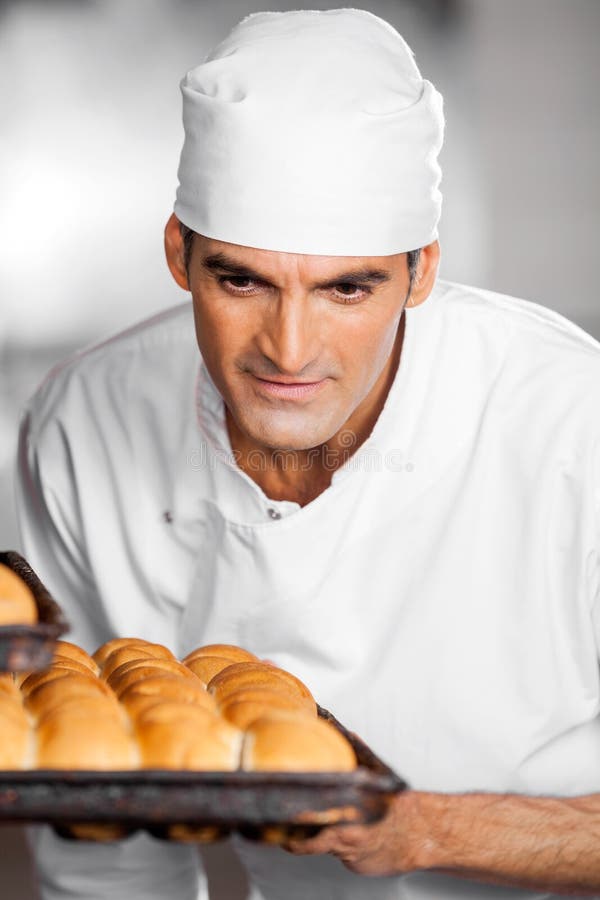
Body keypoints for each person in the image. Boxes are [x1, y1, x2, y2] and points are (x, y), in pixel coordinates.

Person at [15, 8, 600, 900]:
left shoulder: (570, 422)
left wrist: (421, 828)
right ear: (180, 253)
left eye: (347, 290)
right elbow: (104, 825)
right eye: (241, 280)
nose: (288, 350)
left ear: (422, 272)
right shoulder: (84, 421)